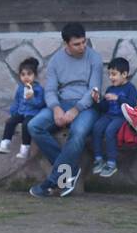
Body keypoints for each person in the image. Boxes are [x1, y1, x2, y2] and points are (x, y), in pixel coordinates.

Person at [27, 22, 104, 198]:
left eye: (84, 42)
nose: (82, 47)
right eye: (77, 44)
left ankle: (53, 181)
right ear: (66, 44)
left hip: (87, 107)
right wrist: (55, 109)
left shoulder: (95, 58)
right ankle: (69, 170)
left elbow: (94, 90)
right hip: (62, 103)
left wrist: (76, 110)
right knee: (34, 126)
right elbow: (51, 90)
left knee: (77, 133)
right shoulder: (55, 60)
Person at [89, 58, 137, 178]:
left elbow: (132, 104)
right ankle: (98, 159)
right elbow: (104, 108)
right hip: (109, 115)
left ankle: (111, 163)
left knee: (110, 130)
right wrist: (96, 101)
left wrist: (118, 98)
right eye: (109, 74)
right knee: (96, 128)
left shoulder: (130, 88)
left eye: (114, 74)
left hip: (122, 117)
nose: (111, 77)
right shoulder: (110, 89)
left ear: (124, 74)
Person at [0, 58, 45, 160]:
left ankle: (24, 149)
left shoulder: (38, 89)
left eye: (29, 74)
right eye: (23, 74)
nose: (26, 77)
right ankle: (4, 144)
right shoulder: (20, 88)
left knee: (26, 125)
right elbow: (17, 101)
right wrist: (13, 112)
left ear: (35, 75)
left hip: (33, 114)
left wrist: (31, 98)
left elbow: (41, 104)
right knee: (10, 122)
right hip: (21, 113)